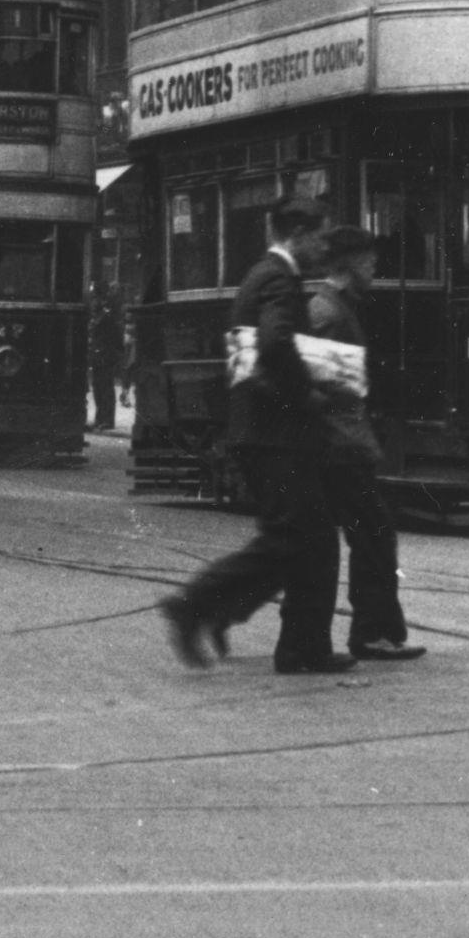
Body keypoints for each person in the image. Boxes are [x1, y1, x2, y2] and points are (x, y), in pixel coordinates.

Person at [157, 200, 348, 675]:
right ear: (298, 233)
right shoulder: (278, 280)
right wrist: (308, 394)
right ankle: (196, 604)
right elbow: (275, 342)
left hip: (264, 432)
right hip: (276, 435)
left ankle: (299, 647)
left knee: (306, 541)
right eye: (320, 238)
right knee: (295, 539)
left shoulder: (261, 275)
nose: (324, 250)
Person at [305, 226, 419, 664]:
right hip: (340, 445)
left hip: (345, 441)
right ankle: (372, 634)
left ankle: (377, 631)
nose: (374, 269)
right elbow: (320, 385)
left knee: (372, 535)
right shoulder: (328, 312)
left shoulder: (336, 307)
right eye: (369, 261)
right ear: (350, 264)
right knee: (374, 535)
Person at [88, 290, 127, 434]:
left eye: (95, 300)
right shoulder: (97, 318)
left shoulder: (107, 319)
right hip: (97, 358)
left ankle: (107, 420)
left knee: (106, 389)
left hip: (106, 358)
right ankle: (100, 418)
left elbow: (117, 341)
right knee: (98, 388)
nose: (93, 303)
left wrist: (112, 356)